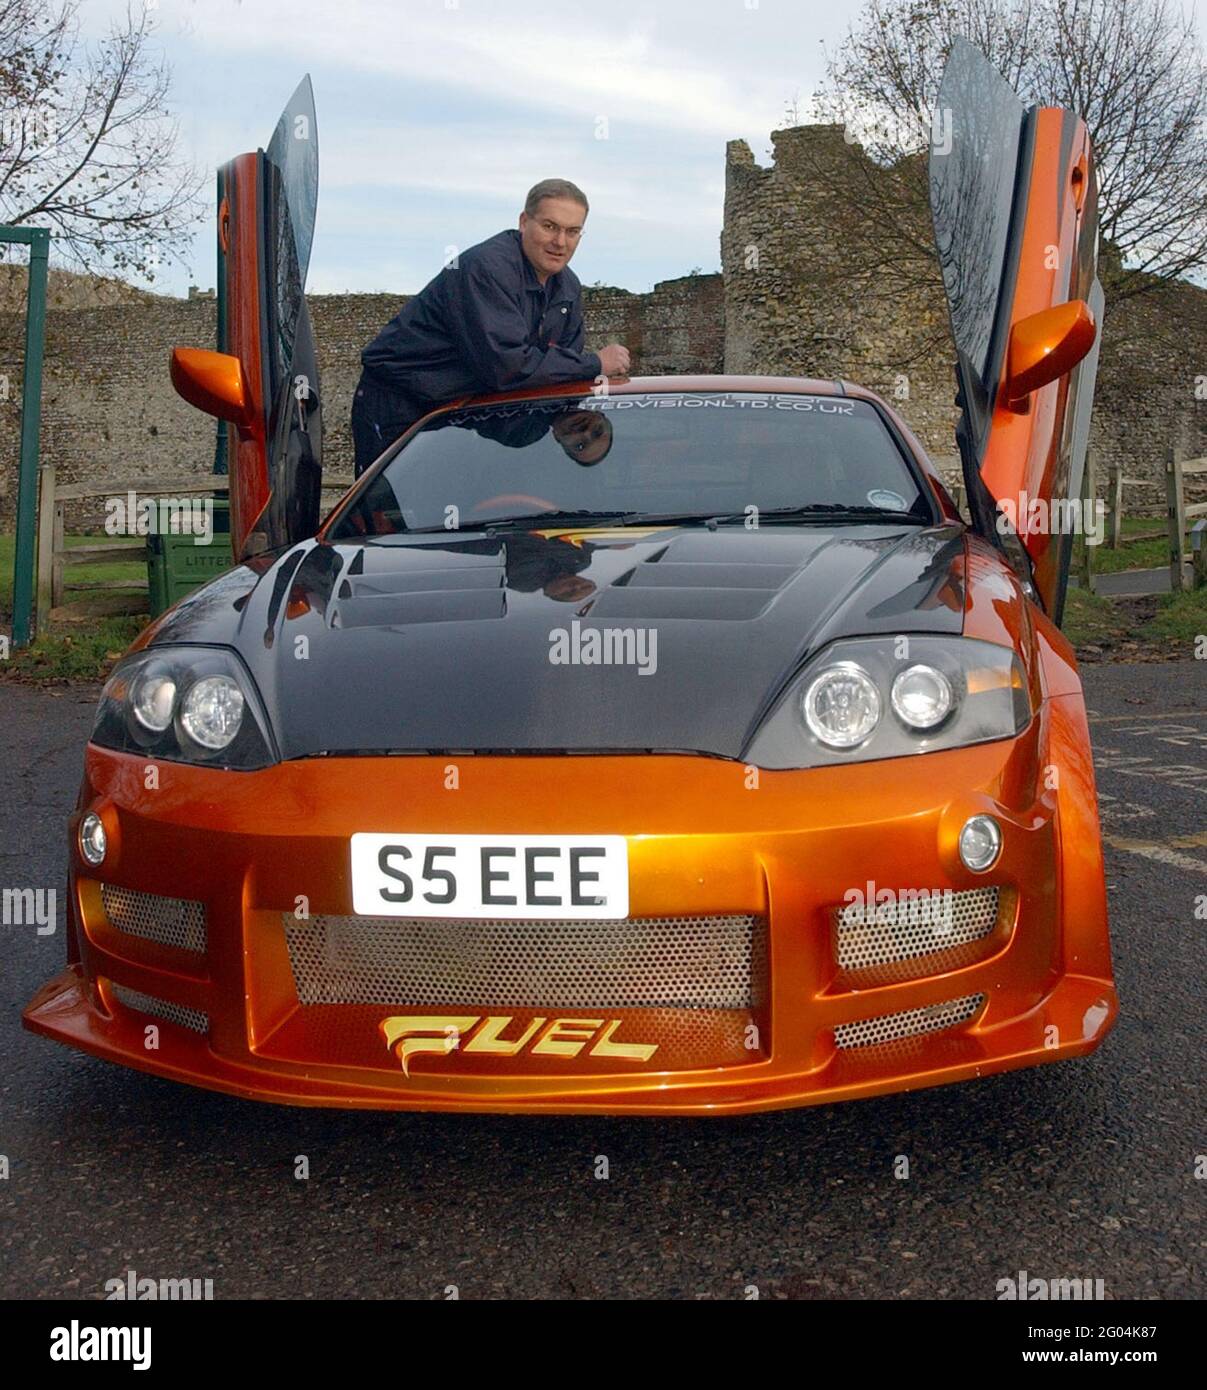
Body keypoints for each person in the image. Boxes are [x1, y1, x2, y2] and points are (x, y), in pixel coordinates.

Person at [351, 179, 631, 474]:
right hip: (400, 405)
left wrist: (575, 386)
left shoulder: (567, 286)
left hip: (468, 412)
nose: (560, 242)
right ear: (524, 222)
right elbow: (508, 367)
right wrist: (597, 363)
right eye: (550, 226)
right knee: (389, 514)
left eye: (572, 231)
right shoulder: (487, 268)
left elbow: (558, 373)